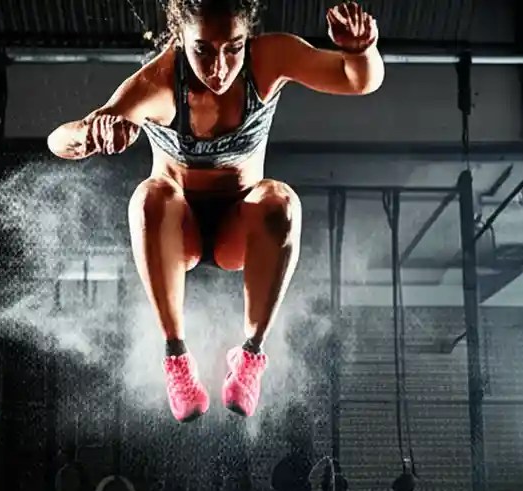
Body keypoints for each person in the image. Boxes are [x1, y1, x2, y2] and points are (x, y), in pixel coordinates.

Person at [48, 1, 383, 422]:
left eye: (233, 49)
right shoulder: (158, 81)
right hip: (179, 231)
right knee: (149, 196)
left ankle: (251, 354)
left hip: (238, 229)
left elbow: (357, 81)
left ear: (248, 39)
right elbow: (58, 142)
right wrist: (89, 133)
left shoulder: (269, 60)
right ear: (181, 39)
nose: (219, 68)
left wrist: (361, 50)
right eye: (203, 51)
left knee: (281, 201)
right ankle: (175, 356)